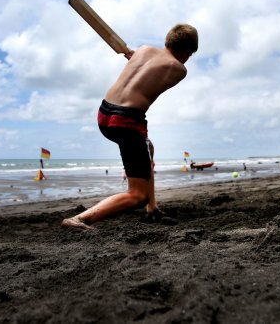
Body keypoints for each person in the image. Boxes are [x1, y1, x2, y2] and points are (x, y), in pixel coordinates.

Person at [62, 23, 198, 230]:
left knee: (148, 148)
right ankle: (80, 219)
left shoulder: (143, 50)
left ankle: (152, 207)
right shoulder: (178, 69)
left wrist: (135, 58)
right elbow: (161, 73)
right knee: (137, 195)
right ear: (188, 51)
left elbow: (147, 69)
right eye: (189, 54)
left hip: (104, 114)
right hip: (127, 122)